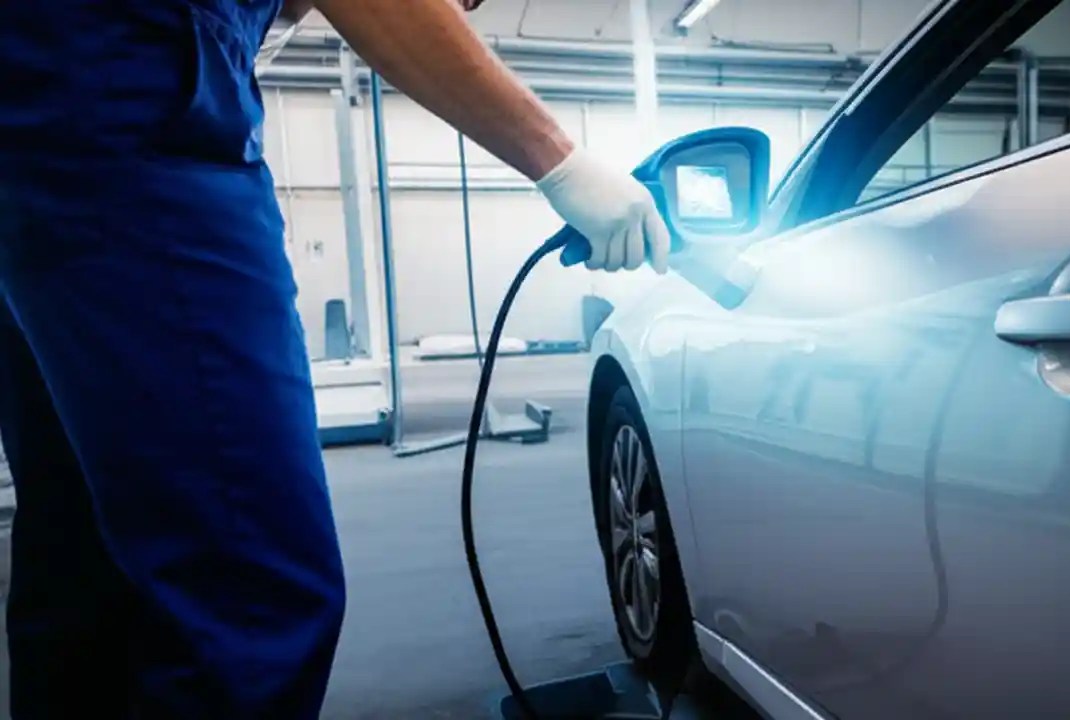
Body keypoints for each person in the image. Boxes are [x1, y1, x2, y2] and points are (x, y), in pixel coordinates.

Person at [0, 0, 670, 716]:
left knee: (91, 561)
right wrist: (559, 162)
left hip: (46, 90)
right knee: (246, 588)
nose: (457, 12)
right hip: (127, 89)